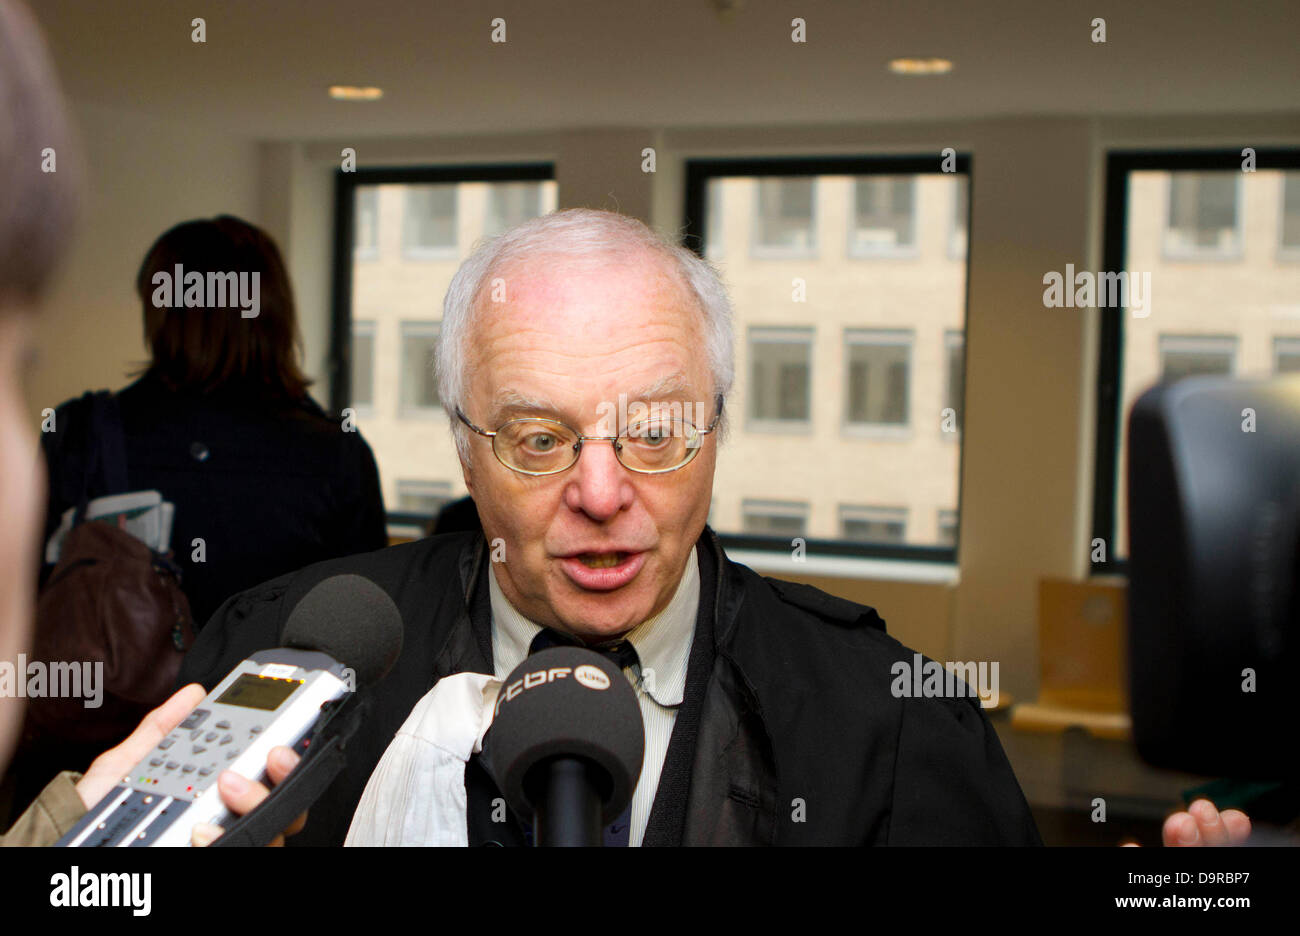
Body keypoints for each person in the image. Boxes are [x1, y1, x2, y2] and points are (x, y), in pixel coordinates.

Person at [0, 0, 302, 846]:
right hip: (261, 773)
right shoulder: (335, 455)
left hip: (72, 757)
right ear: (274, 311)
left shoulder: (84, 429)